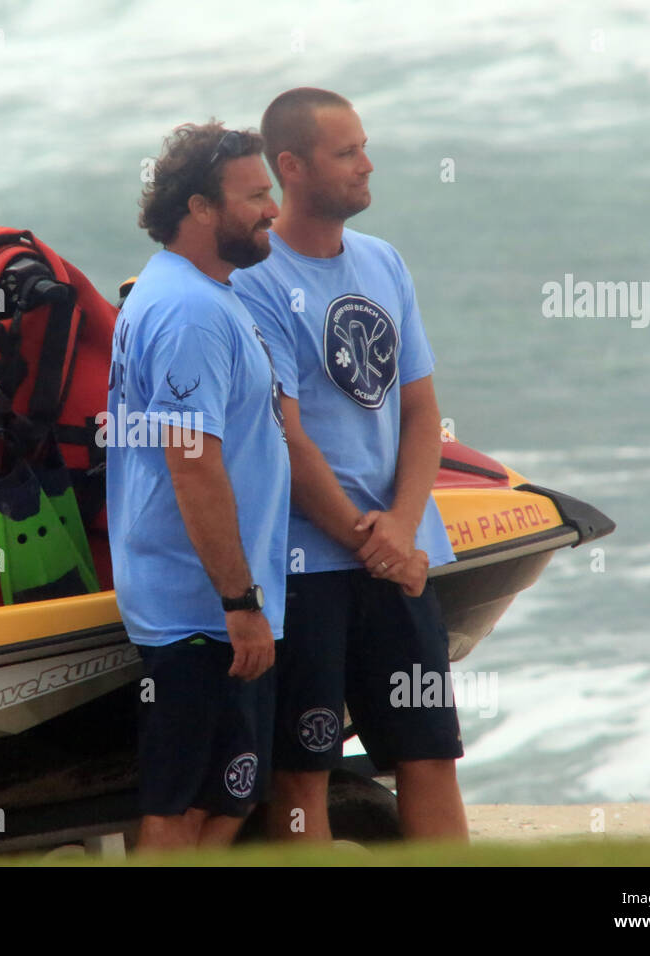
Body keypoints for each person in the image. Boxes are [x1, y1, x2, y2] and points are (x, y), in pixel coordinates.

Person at [230, 88, 469, 842]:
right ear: (292, 167)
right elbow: (285, 438)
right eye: (347, 153)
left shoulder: (383, 261)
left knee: (430, 752)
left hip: (399, 554)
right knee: (303, 768)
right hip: (307, 568)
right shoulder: (255, 283)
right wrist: (374, 542)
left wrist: (402, 527)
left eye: (363, 147)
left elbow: (422, 411)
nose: (368, 165)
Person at [107, 121, 289, 851]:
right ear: (200, 209)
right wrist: (239, 602)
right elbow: (192, 464)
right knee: (184, 808)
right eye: (254, 195)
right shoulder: (190, 313)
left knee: (225, 801)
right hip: (198, 605)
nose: (272, 208)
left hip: (203, 597)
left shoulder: (186, 290)